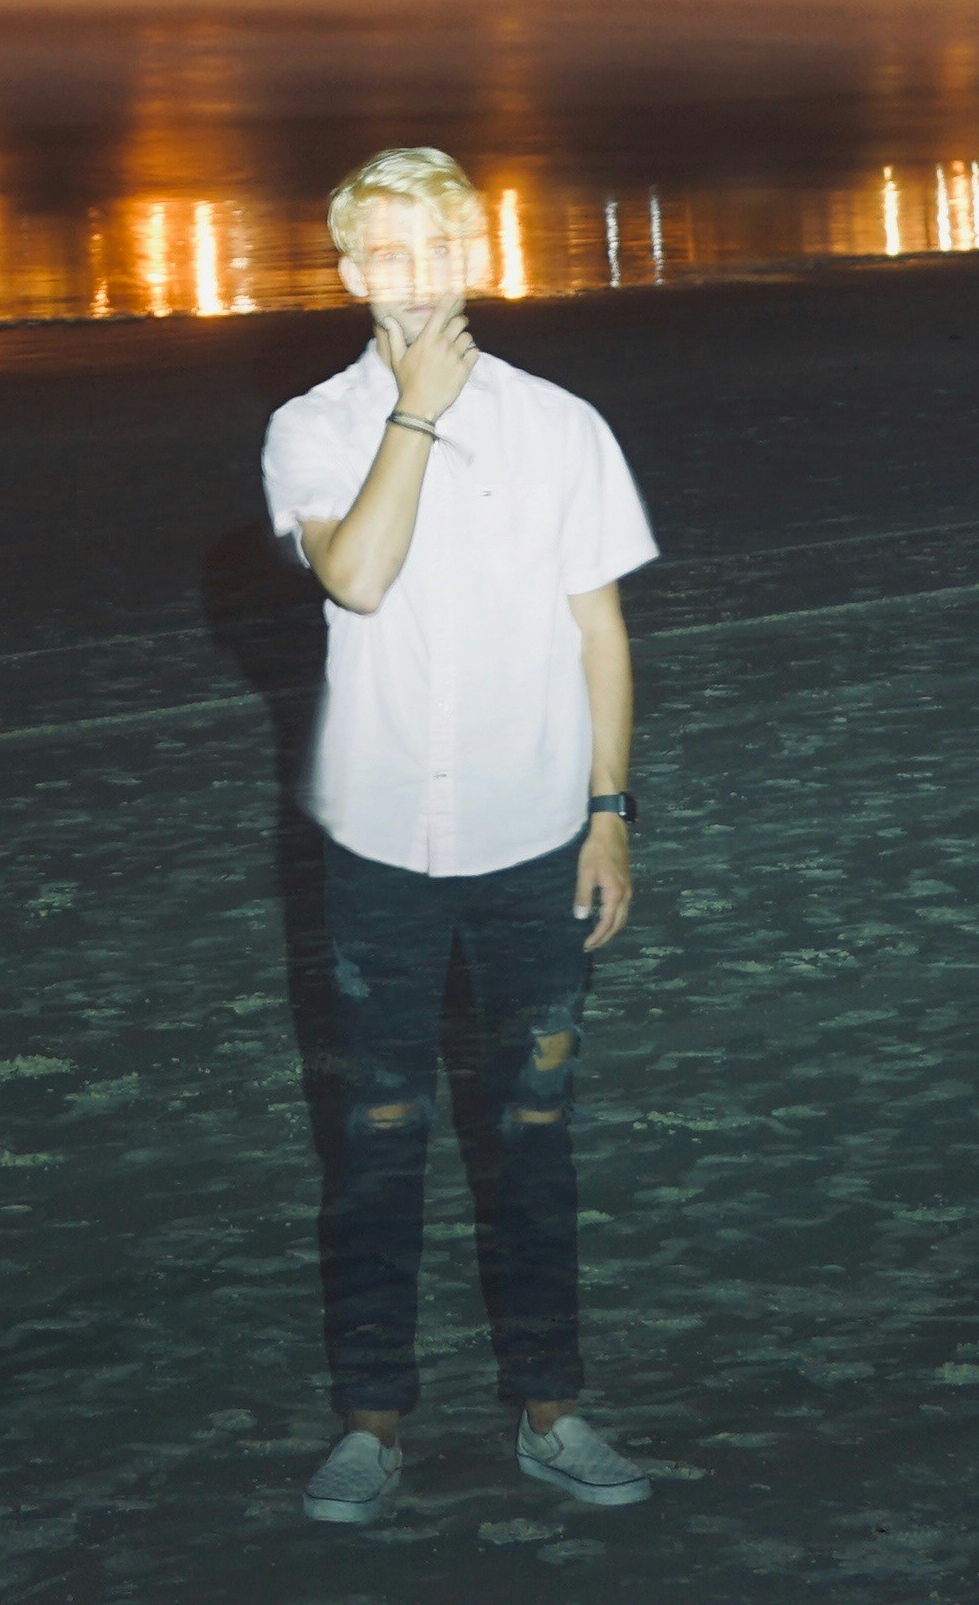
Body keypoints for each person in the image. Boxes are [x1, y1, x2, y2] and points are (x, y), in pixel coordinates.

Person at [261, 146, 661, 1526]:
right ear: (349, 272)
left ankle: (554, 1408)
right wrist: (416, 420)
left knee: (533, 1132)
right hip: (376, 835)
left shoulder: (563, 427)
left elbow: (599, 633)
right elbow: (358, 578)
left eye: (436, 245)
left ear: (475, 254)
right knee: (376, 1141)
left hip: (537, 827)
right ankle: (372, 1424)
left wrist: (610, 815)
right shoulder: (311, 426)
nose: (412, 273)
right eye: (384, 249)